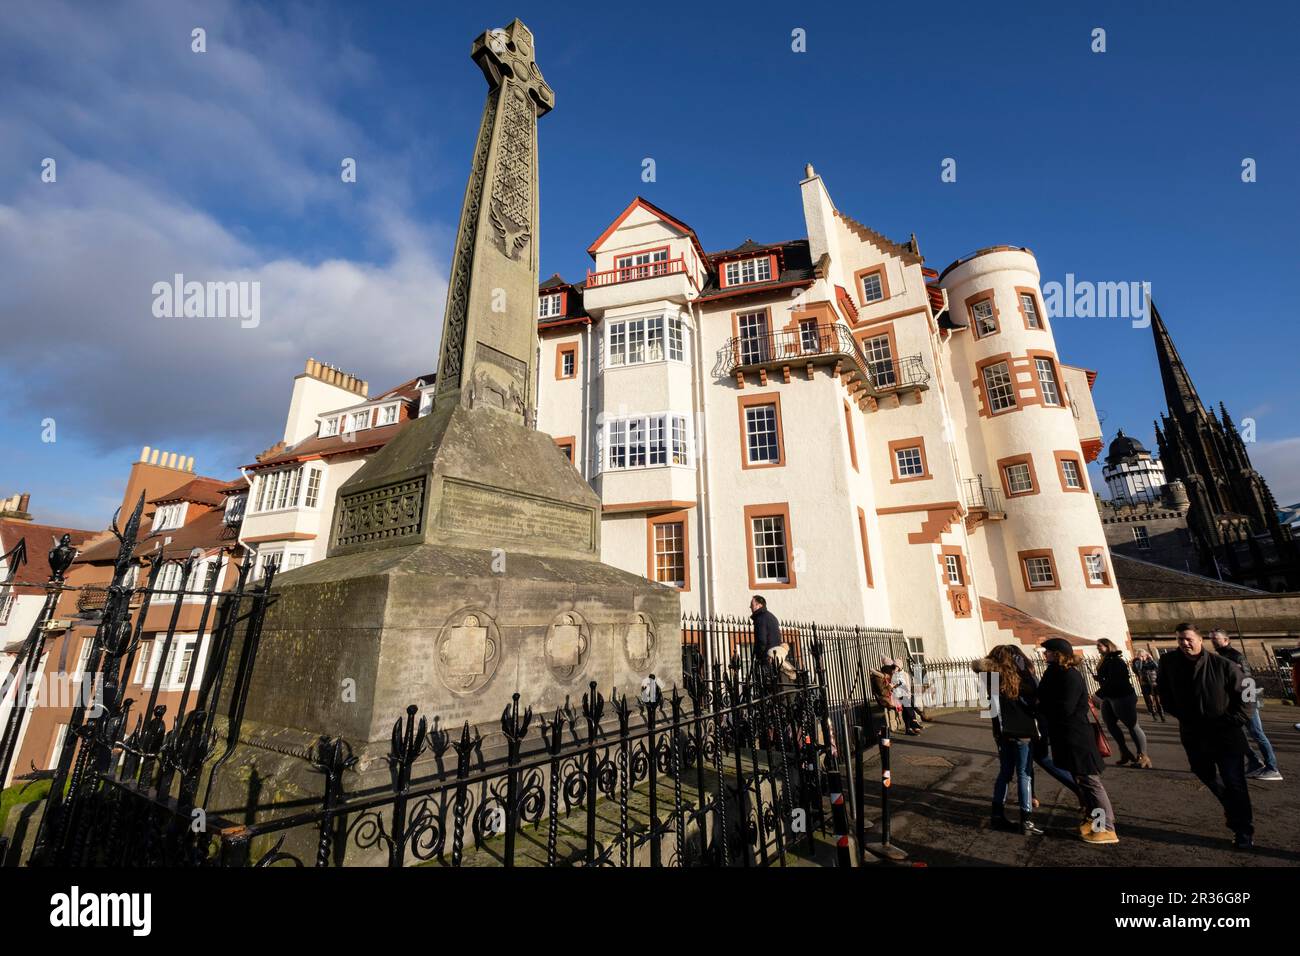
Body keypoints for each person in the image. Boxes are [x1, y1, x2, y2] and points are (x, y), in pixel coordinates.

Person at [1157, 623, 1254, 850]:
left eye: (1189, 638)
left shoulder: (1225, 665)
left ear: (1201, 640)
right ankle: (1232, 806)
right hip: (1193, 733)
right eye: (1180, 639)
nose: (1184, 643)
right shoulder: (1169, 663)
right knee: (1204, 772)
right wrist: (1181, 714)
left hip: (1226, 735)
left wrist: (1231, 721)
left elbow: (1249, 699)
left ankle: (1243, 831)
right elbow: (1164, 693)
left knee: (1235, 782)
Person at [1037, 637, 1118, 844]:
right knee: (1081, 780)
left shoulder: (1070, 676)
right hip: (1063, 734)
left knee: (1090, 782)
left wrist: (1043, 707)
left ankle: (1106, 827)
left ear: (1058, 653)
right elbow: (1043, 696)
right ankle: (1093, 820)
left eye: (1048, 651)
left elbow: (1065, 707)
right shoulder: (1053, 673)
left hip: (1077, 735)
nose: (1044, 654)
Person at [974, 646, 1044, 835]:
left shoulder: (991, 677)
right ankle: (1026, 821)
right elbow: (1036, 695)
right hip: (1024, 730)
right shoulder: (1021, 677)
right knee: (1024, 774)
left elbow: (992, 705)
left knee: (1004, 773)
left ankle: (997, 815)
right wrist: (1023, 669)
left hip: (1002, 731)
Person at [1208, 629, 1282, 781]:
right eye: (1211, 639)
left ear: (1226, 640)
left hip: (1246, 703)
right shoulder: (1222, 657)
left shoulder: (1236, 656)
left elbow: (1247, 681)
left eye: (1216, 639)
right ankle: (1255, 762)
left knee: (1257, 734)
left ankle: (1272, 768)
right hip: (1233, 704)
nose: (1213, 642)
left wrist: (1246, 706)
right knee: (1237, 736)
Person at [1095, 639, 1152, 768]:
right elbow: (1108, 678)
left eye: (1100, 646)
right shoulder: (1105, 660)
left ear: (1108, 646)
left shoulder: (1116, 661)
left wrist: (1098, 694)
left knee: (1132, 725)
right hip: (1109, 697)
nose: (1097, 648)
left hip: (1122, 696)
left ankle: (1143, 756)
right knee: (1110, 724)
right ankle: (1124, 751)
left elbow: (1116, 680)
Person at [749, 595, 794, 682]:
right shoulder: (772, 617)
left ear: (760, 605)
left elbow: (762, 640)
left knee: (766, 690)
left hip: (767, 658)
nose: (750, 607)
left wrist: (759, 658)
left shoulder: (760, 618)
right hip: (775, 657)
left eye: (752, 604)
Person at [883, 663, 922, 735]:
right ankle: (913, 721)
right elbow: (886, 690)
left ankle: (909, 727)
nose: (894, 671)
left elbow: (901, 683)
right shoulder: (885, 678)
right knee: (907, 702)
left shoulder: (894, 676)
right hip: (892, 698)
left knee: (907, 702)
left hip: (899, 695)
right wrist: (893, 686)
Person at [1132, 650, 1165, 721]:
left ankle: (1162, 715)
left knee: (1158, 700)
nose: (1142, 657)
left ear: (1146, 655)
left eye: (1143, 655)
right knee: (1151, 701)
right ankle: (1154, 715)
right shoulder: (1138, 662)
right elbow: (1139, 669)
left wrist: (1152, 659)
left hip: (1154, 682)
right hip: (1145, 683)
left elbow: (1157, 667)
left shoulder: (1150, 661)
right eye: (1140, 656)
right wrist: (1140, 661)